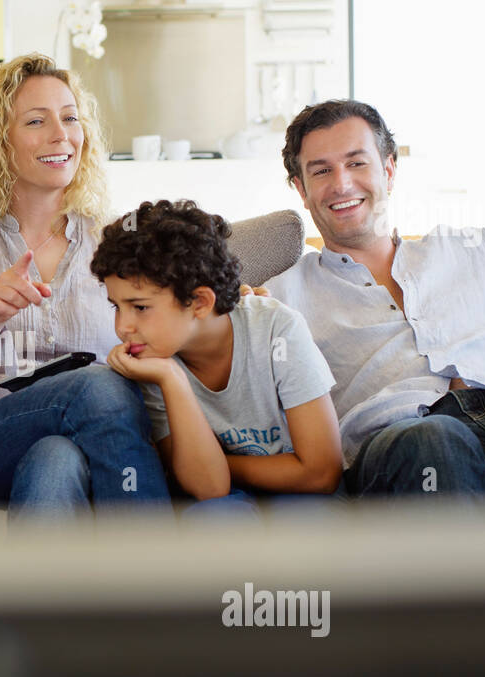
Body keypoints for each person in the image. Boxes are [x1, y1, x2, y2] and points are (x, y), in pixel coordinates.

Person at [264, 98, 485, 500]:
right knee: (433, 439)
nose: (342, 184)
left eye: (356, 163)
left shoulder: (473, 248)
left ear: (388, 170)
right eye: (321, 171)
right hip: (408, 448)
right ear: (301, 188)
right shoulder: (280, 297)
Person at [0, 53, 170, 518]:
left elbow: (171, 336)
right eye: (36, 121)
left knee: (54, 459)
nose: (61, 135)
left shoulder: (118, 241)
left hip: (80, 448)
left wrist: (235, 306)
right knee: (95, 386)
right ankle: (150, 571)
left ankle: (42, 592)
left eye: (70, 118)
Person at [90, 199, 342, 518]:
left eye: (139, 307)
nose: (122, 327)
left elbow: (321, 473)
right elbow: (209, 488)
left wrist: (223, 465)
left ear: (199, 302)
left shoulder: (277, 329)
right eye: (116, 306)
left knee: (303, 523)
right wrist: (173, 380)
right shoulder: (152, 363)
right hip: (223, 502)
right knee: (213, 521)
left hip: (303, 495)